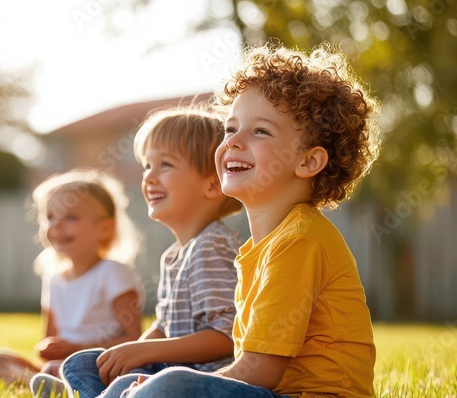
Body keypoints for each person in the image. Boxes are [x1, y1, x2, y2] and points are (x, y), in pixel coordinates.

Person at [118, 43, 381, 397]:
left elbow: (260, 370)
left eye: (260, 131)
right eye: (229, 129)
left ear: (307, 162)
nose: (234, 142)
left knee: (168, 385)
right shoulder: (258, 248)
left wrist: (183, 385)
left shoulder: (299, 241)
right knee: (123, 379)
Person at [36, 107, 244, 398]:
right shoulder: (175, 255)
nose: (149, 177)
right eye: (148, 165)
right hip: (168, 369)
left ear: (212, 184)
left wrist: (145, 350)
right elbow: (162, 327)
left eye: (166, 165)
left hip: (202, 380)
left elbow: (226, 338)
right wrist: (131, 352)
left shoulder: (212, 246)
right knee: (82, 363)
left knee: (154, 383)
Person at [0, 169, 144, 388]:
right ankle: (45, 384)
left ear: (104, 227)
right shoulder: (54, 278)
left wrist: (75, 349)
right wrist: (48, 350)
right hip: (58, 365)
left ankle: (51, 384)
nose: (56, 225)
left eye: (71, 217)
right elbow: (47, 340)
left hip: (98, 365)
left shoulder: (113, 272)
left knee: (62, 368)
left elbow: (135, 341)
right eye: (50, 217)